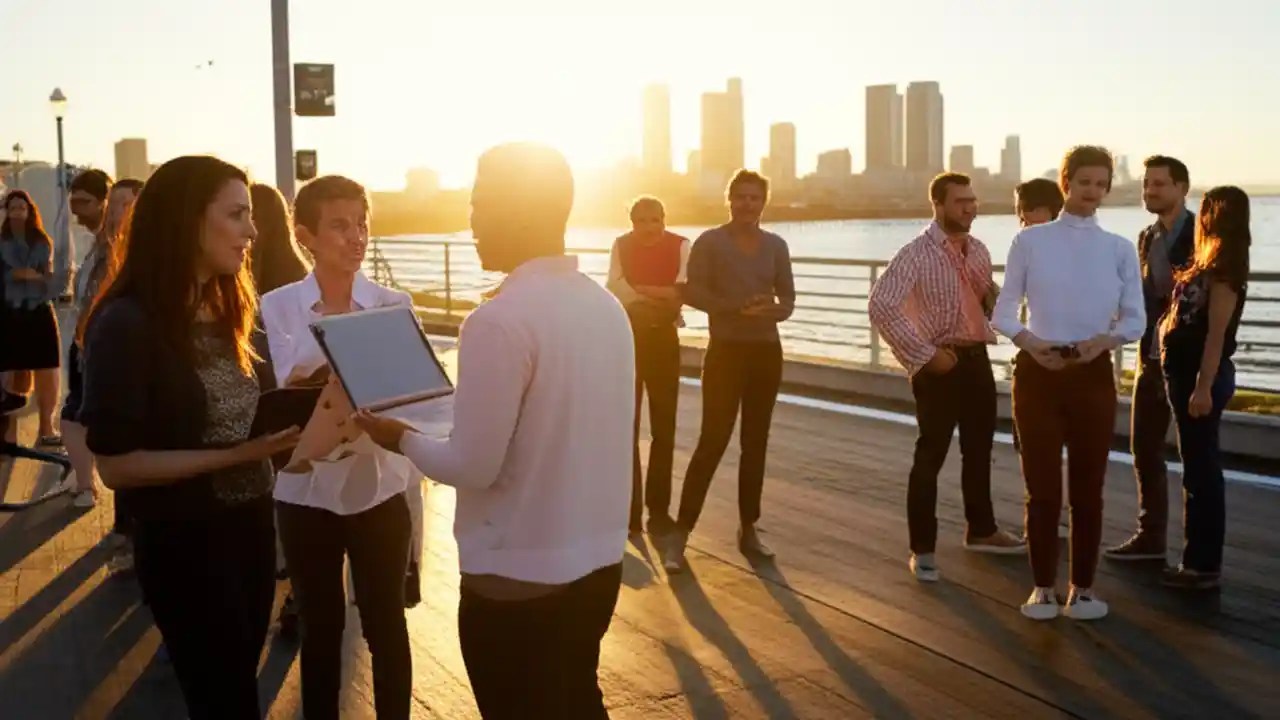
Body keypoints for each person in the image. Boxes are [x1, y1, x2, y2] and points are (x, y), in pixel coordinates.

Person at [355, 142, 634, 719]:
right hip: (597, 566)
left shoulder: (498, 320)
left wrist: (399, 436)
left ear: (518, 210)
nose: (471, 220)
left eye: (480, 203)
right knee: (579, 700)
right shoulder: (607, 308)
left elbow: (472, 467)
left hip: (517, 579)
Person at [78, 156, 299, 719]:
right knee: (222, 698)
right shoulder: (125, 324)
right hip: (187, 543)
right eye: (237, 214)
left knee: (236, 688)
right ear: (186, 222)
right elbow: (116, 467)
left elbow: (246, 418)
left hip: (251, 527)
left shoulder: (228, 307)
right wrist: (240, 455)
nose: (253, 231)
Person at [260, 175, 417, 720]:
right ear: (305, 236)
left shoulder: (394, 302)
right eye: (340, 225)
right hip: (305, 493)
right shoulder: (275, 307)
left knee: (387, 625)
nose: (357, 237)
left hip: (379, 488)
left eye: (363, 222)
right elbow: (281, 388)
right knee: (320, 627)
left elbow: (411, 393)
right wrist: (345, 360)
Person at [992, 145, 1145, 621]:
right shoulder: (1030, 242)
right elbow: (1002, 313)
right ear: (1065, 183)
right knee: (1042, 490)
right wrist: (1032, 344)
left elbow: (1137, 319)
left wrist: (1105, 341)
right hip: (1038, 374)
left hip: (1093, 373)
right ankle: (1042, 588)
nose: (1093, 193)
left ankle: (1082, 588)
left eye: (1101, 184)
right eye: (1085, 183)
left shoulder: (1119, 248)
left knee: (1088, 489)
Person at [868, 173, 1025, 583]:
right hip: (940, 364)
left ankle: (982, 529)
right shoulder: (914, 254)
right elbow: (881, 305)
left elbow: (984, 302)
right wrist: (924, 355)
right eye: (960, 201)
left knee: (979, 451)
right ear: (938, 204)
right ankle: (922, 549)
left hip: (977, 362)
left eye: (973, 201)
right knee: (930, 456)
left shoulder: (978, 251)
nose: (970, 207)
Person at [664, 169, 794, 572]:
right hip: (725, 352)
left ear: (763, 202)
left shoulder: (776, 245)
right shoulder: (710, 242)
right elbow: (691, 291)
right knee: (713, 441)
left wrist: (771, 309)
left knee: (756, 443)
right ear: (729, 199)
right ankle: (679, 536)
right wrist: (733, 307)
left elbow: (788, 299)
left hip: (766, 353)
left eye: (755, 197)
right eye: (740, 197)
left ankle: (748, 528)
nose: (747, 204)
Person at [1157, 186, 1251, 590]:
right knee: (1194, 466)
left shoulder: (1226, 272)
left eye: (1207, 211)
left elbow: (1216, 337)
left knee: (1201, 470)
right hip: (1181, 374)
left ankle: (1201, 565)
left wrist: (1203, 387)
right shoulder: (1204, 264)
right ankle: (1195, 561)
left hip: (1199, 377)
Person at [1106, 156, 1194, 562]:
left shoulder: (1201, 234)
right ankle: (1151, 536)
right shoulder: (1145, 237)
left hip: (1187, 361)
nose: (1151, 191)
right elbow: (1140, 297)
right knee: (1144, 449)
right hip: (1149, 359)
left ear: (1182, 188)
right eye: (1147, 184)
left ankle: (1198, 554)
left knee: (1194, 458)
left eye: (1160, 184)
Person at [606, 195, 689, 536]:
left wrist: (640, 291)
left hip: (664, 342)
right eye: (641, 220)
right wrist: (657, 295)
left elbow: (681, 293)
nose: (648, 227)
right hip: (628, 341)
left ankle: (658, 511)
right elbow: (615, 288)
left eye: (654, 219)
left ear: (664, 219)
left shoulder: (682, 245)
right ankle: (629, 513)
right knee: (628, 426)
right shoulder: (620, 245)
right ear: (632, 222)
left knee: (664, 430)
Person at [63, 175, 143, 512]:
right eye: (116, 203)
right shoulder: (101, 246)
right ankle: (88, 485)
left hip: (114, 350)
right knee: (75, 415)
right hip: (87, 345)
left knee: (116, 430)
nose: (119, 211)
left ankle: (115, 511)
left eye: (129, 204)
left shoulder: (136, 253)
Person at [1008, 179, 1066, 451]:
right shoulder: (1025, 246)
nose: (1022, 216)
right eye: (1019, 209)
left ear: (1050, 209)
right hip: (1034, 355)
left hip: (1070, 358)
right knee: (1031, 447)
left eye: (1028, 208)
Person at [0, 190, 62, 446]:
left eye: (21, 208)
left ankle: (46, 429)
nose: (17, 212)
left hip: (38, 310)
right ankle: (7, 435)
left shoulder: (41, 241)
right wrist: (28, 275)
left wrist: (30, 275)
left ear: (29, 211)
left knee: (47, 369)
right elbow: (9, 275)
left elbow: (45, 275)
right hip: (8, 312)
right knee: (9, 371)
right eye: (12, 208)